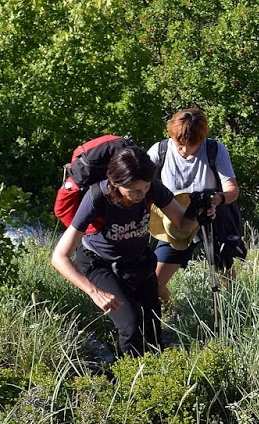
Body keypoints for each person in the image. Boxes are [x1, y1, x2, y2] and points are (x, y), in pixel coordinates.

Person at [51, 145, 195, 357]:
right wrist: (94, 292)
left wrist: (201, 210)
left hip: (138, 260)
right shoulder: (96, 197)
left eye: (145, 187)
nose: (141, 194)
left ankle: (159, 376)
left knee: (152, 325)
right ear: (115, 184)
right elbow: (59, 257)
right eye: (133, 190)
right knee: (131, 325)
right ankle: (132, 380)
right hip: (100, 263)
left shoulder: (152, 188)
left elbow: (183, 223)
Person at [147, 108, 241, 302]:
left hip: (212, 218)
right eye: (179, 144)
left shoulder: (214, 150)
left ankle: (229, 312)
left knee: (225, 275)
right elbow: (139, 180)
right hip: (175, 221)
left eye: (191, 145)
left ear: (201, 138)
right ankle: (171, 310)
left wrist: (218, 199)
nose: (184, 150)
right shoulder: (160, 150)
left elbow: (232, 189)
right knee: (154, 283)